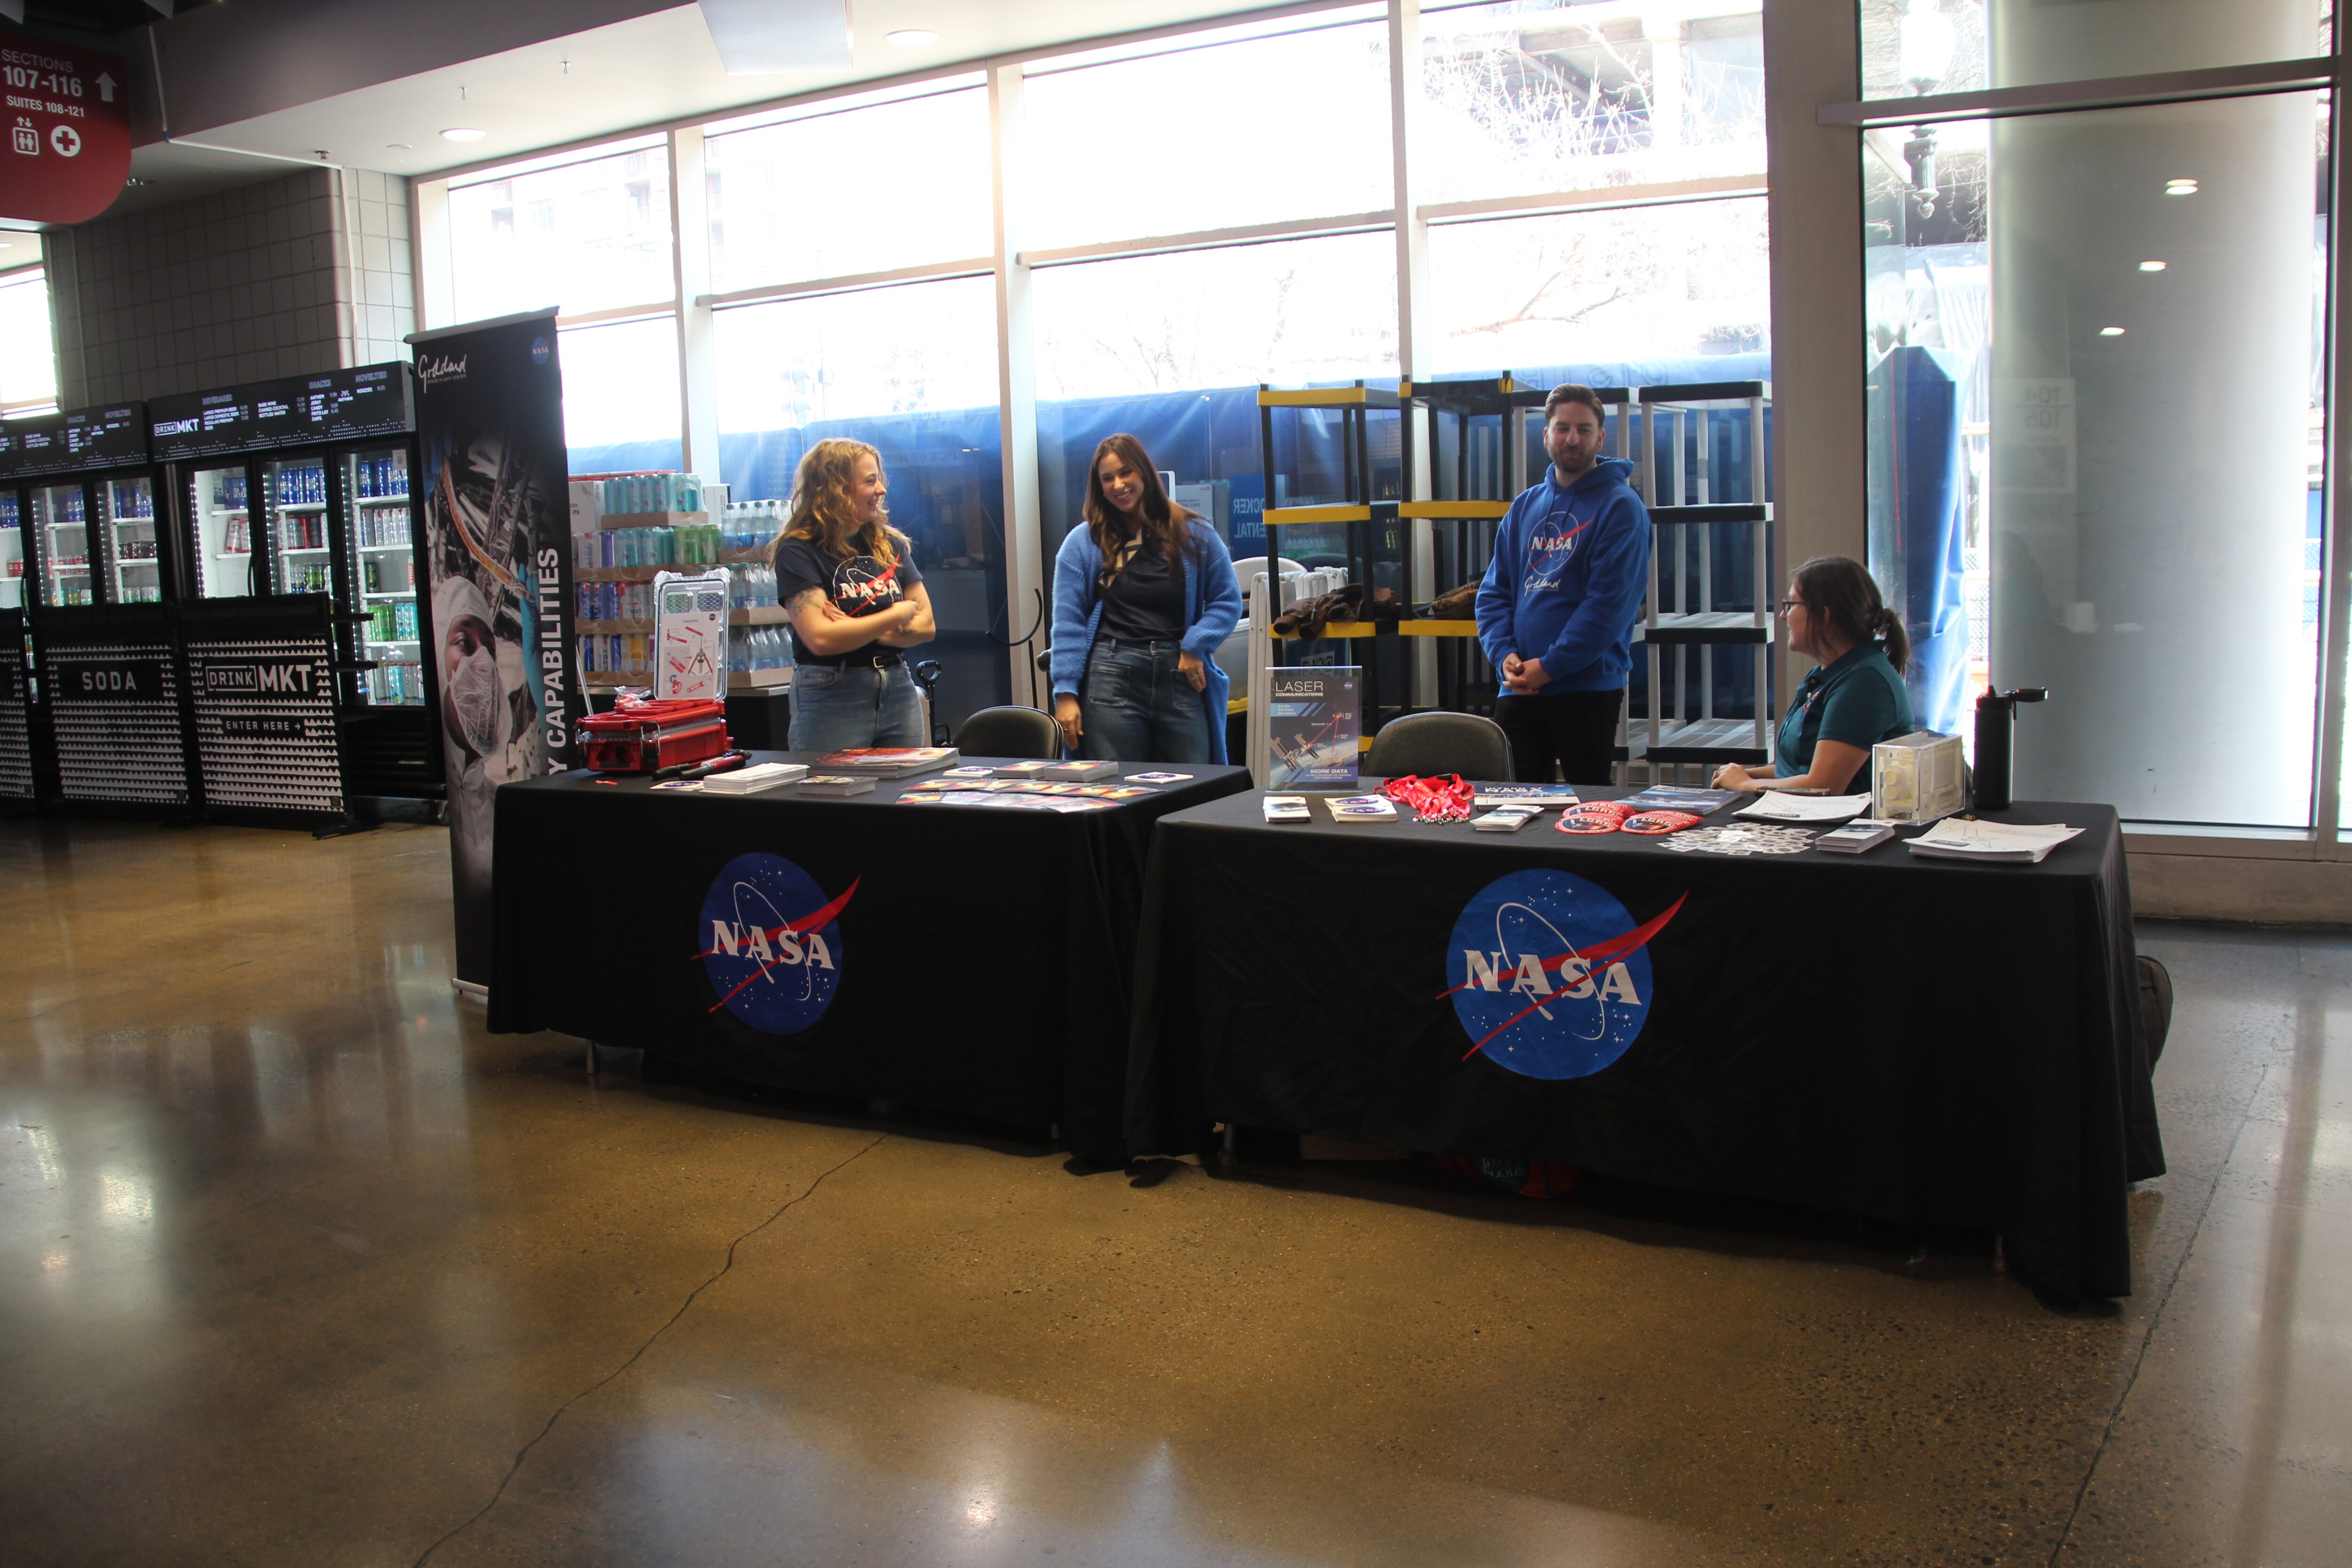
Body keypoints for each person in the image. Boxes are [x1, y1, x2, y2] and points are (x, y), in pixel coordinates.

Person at [1474, 383, 1652, 785]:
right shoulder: (1524, 506)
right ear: (1546, 435)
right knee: (1512, 802)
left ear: (1600, 438)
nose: (1573, 439)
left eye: (1584, 430)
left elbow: (1607, 607)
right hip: (1519, 686)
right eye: (1563, 428)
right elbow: (1493, 594)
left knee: (1587, 807)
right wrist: (1505, 656)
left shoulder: (1622, 508)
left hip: (1587, 689)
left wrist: (1550, 667)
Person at [1049, 433, 1243, 764]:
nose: (1118, 485)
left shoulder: (1194, 533)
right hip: (1110, 676)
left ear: (1144, 472)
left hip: (1180, 675)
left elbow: (1227, 600)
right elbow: (1068, 624)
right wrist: (1065, 693)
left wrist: (1196, 645)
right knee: (1115, 787)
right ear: (1099, 486)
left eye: (1126, 472)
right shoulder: (1082, 544)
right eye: (1107, 478)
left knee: (1194, 785)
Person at [771, 438, 937, 753]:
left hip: (898, 686)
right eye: (870, 481)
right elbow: (822, 639)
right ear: (836, 489)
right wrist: (895, 614)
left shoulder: (889, 544)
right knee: (833, 784)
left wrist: (849, 626)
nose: (881, 490)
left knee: (904, 783)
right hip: (832, 692)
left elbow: (927, 626)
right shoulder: (798, 551)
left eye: (879, 480)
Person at [1713, 556, 1915, 795]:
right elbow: (1798, 770)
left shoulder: (1865, 683)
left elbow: (1823, 786)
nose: (1783, 616)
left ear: (1824, 616)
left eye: (1791, 605)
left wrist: (1744, 784)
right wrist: (1742, 775)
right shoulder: (1830, 675)